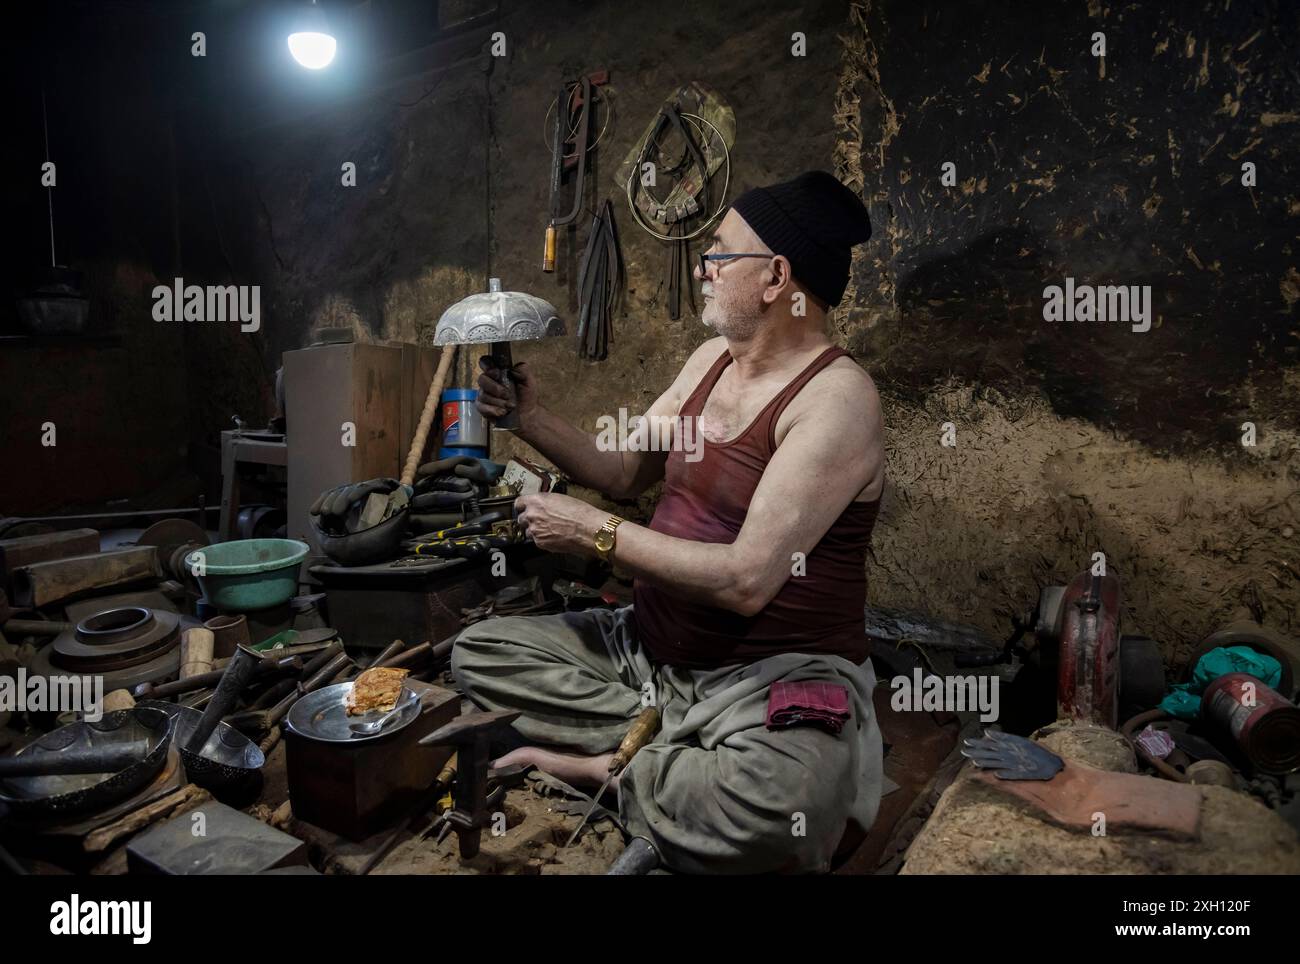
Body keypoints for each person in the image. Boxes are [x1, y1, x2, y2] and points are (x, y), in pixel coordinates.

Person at [454, 170, 885, 873]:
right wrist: (529, 418)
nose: (701, 267)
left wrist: (594, 534)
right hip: (651, 654)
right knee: (479, 654)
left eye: (718, 253)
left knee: (782, 812)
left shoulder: (837, 401)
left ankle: (612, 766)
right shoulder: (710, 363)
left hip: (765, 675)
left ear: (776, 277)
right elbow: (623, 470)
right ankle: (663, 751)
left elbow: (747, 580)